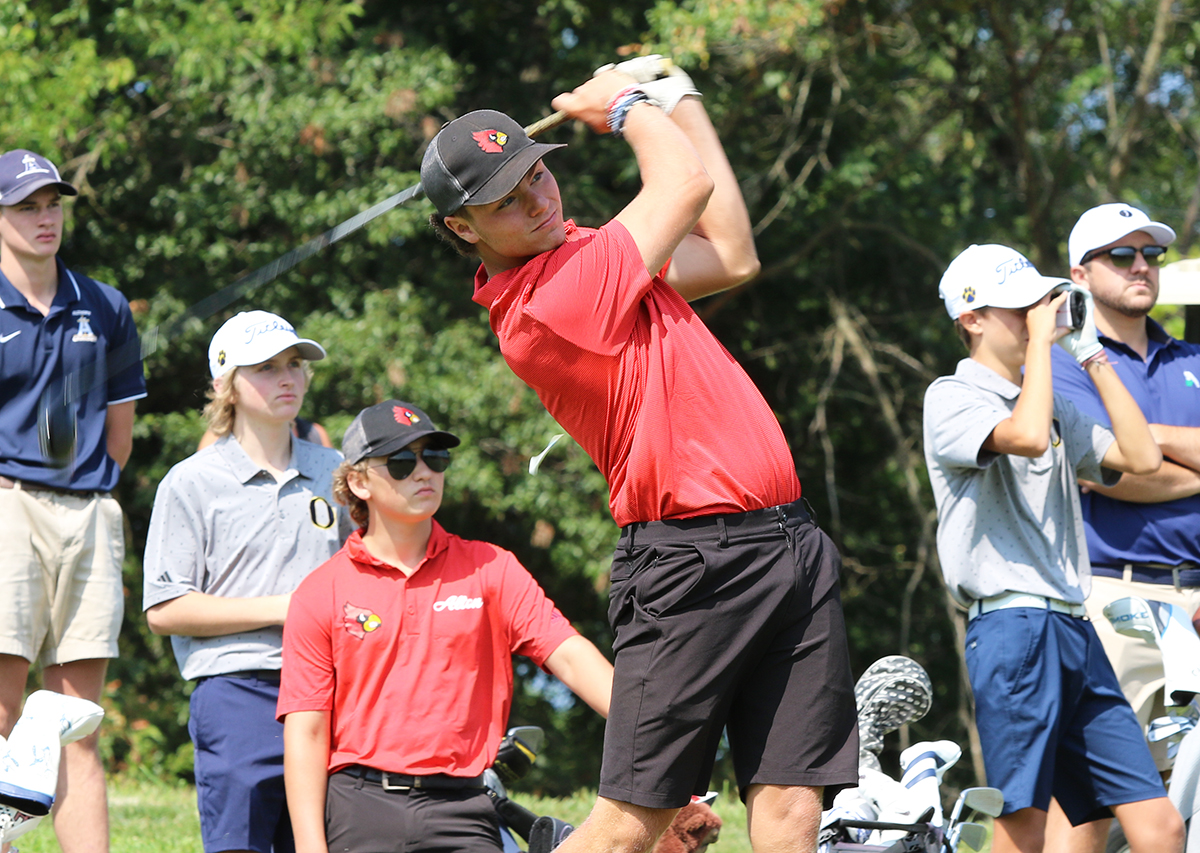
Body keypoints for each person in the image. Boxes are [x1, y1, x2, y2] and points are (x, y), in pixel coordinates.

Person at [420, 56, 858, 853]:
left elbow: (732, 253)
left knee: (795, 800)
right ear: (462, 227)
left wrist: (679, 97)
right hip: (691, 563)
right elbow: (683, 185)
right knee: (633, 821)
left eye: (537, 177)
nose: (537, 201)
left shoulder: (592, 255)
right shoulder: (548, 298)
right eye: (505, 201)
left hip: (788, 543)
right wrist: (624, 103)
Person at [923, 242, 1181, 853]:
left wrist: (1091, 354)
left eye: (1039, 306)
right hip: (1013, 628)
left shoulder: (1054, 400)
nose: (1035, 318)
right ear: (971, 318)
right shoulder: (952, 396)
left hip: (1075, 629)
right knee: (1023, 829)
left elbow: (1142, 457)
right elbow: (1028, 437)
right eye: (1019, 309)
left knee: (1160, 825)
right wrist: (1043, 345)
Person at [277, 399, 613, 853]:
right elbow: (307, 731)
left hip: (465, 807)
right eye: (401, 462)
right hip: (360, 807)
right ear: (358, 482)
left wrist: (656, 728)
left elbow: (568, 655)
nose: (424, 472)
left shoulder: (492, 568)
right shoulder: (321, 590)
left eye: (434, 458)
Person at [142, 310, 352, 853]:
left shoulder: (337, 471)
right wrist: (288, 607)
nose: (287, 378)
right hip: (236, 689)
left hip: (333, 691)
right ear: (225, 385)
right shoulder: (190, 482)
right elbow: (165, 609)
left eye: (294, 364)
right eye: (265, 368)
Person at [0, 147, 146, 853]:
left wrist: (86, 489)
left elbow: (120, 437)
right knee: (2, 709)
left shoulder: (105, 304)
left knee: (77, 720)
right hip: (6, 507)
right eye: (26, 206)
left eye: (52, 203)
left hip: (89, 510)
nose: (44, 217)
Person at [1050, 203, 1200, 850]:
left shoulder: (1192, 357)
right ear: (1080, 274)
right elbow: (1104, 471)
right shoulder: (1059, 363)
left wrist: (1143, 436)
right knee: (1088, 806)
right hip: (1111, 597)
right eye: (1121, 254)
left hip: (1197, 600)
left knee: (1181, 805)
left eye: (1151, 254)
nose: (1141, 265)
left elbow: (1127, 452)